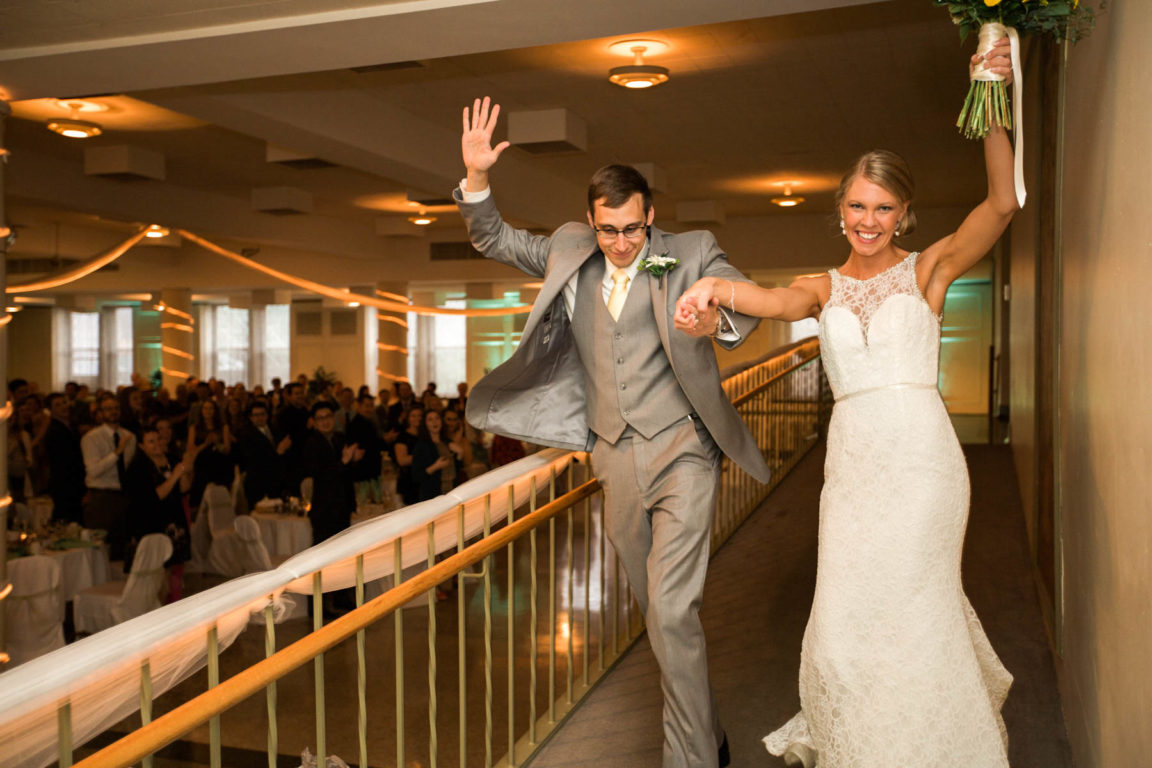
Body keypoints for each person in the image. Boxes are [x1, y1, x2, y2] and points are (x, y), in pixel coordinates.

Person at [675, 40, 1018, 768]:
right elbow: (769, 300)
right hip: (854, 474)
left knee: (916, 613)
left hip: (924, 470)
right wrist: (713, 290)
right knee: (841, 623)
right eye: (858, 206)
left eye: (883, 208)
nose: (869, 219)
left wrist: (992, 100)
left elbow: (1002, 202)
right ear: (839, 210)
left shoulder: (929, 270)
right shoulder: (822, 286)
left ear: (904, 214)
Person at [455, 96, 770, 768]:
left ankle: (689, 759)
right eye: (608, 230)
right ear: (591, 221)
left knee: (673, 609)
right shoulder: (573, 249)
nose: (620, 243)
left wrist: (715, 320)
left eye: (631, 229)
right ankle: (706, 734)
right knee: (655, 613)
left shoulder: (690, 253)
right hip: (614, 457)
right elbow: (495, 239)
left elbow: (745, 302)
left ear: (650, 216)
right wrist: (478, 180)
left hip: (684, 446)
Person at [123, 426, 191, 601]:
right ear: (142, 446)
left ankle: (170, 610)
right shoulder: (138, 468)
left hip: (173, 523)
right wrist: (175, 475)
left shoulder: (171, 459)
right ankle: (154, 613)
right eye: (151, 441)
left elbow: (184, 489)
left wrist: (184, 472)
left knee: (170, 573)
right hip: (150, 525)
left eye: (158, 439)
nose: (157, 445)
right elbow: (155, 497)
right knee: (154, 576)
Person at [80, 394, 137, 559]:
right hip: (100, 496)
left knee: (120, 547)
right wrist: (116, 453)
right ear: (100, 413)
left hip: (123, 495)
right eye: (108, 409)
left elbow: (129, 469)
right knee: (98, 548)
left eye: (116, 408)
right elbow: (93, 471)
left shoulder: (129, 437)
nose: (113, 412)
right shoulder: (91, 438)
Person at [43, 393, 87, 523]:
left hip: (73, 483)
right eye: (58, 405)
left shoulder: (71, 427)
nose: (64, 406)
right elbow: (66, 462)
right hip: (65, 484)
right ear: (50, 410)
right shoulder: (55, 431)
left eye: (64, 402)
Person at [236, 401, 290, 504]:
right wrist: (278, 452)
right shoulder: (246, 435)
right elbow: (254, 461)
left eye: (262, 414)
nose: (260, 418)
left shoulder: (274, 429)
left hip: (277, 481)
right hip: (259, 482)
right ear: (251, 417)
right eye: (256, 415)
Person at [411, 409, 456, 501]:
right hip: (432, 495)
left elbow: (457, 467)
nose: (434, 422)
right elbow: (416, 476)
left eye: (437, 418)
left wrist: (460, 454)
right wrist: (436, 466)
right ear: (425, 424)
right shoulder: (421, 445)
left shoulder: (447, 442)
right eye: (430, 419)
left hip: (452, 492)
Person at [390, 405, 424, 506]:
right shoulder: (402, 437)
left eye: (419, 415)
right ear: (408, 418)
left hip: (424, 479)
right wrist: (426, 457)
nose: (417, 418)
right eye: (413, 416)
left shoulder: (426, 435)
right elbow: (402, 460)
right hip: (409, 481)